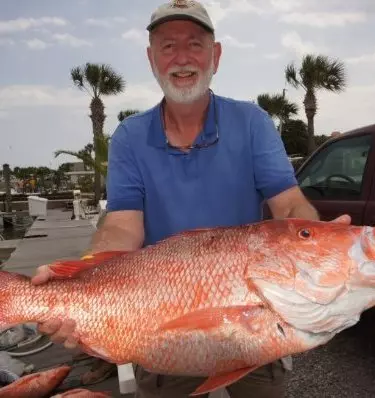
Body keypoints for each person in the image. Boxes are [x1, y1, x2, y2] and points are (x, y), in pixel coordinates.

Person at [32, 0, 351, 396]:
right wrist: (77, 279)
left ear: (215, 55)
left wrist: (322, 241)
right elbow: (121, 226)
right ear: (152, 59)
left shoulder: (252, 123)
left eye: (195, 45)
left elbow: (287, 203)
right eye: (167, 46)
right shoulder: (129, 137)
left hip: (250, 309)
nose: (182, 59)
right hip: (160, 316)